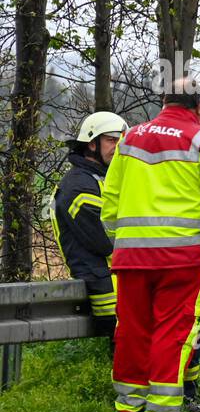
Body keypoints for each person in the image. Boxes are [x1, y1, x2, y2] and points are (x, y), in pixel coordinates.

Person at [101, 78, 200, 412]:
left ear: (164, 102)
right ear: (199, 108)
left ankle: (130, 411)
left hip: (131, 257)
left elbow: (110, 200)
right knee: (172, 333)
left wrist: (122, 241)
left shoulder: (129, 138)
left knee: (132, 331)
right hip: (182, 259)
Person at [51, 112, 128, 340]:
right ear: (92, 144)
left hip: (119, 282)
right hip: (104, 289)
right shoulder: (78, 185)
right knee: (125, 360)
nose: (118, 148)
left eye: (121, 142)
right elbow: (104, 240)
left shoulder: (104, 179)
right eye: (112, 141)